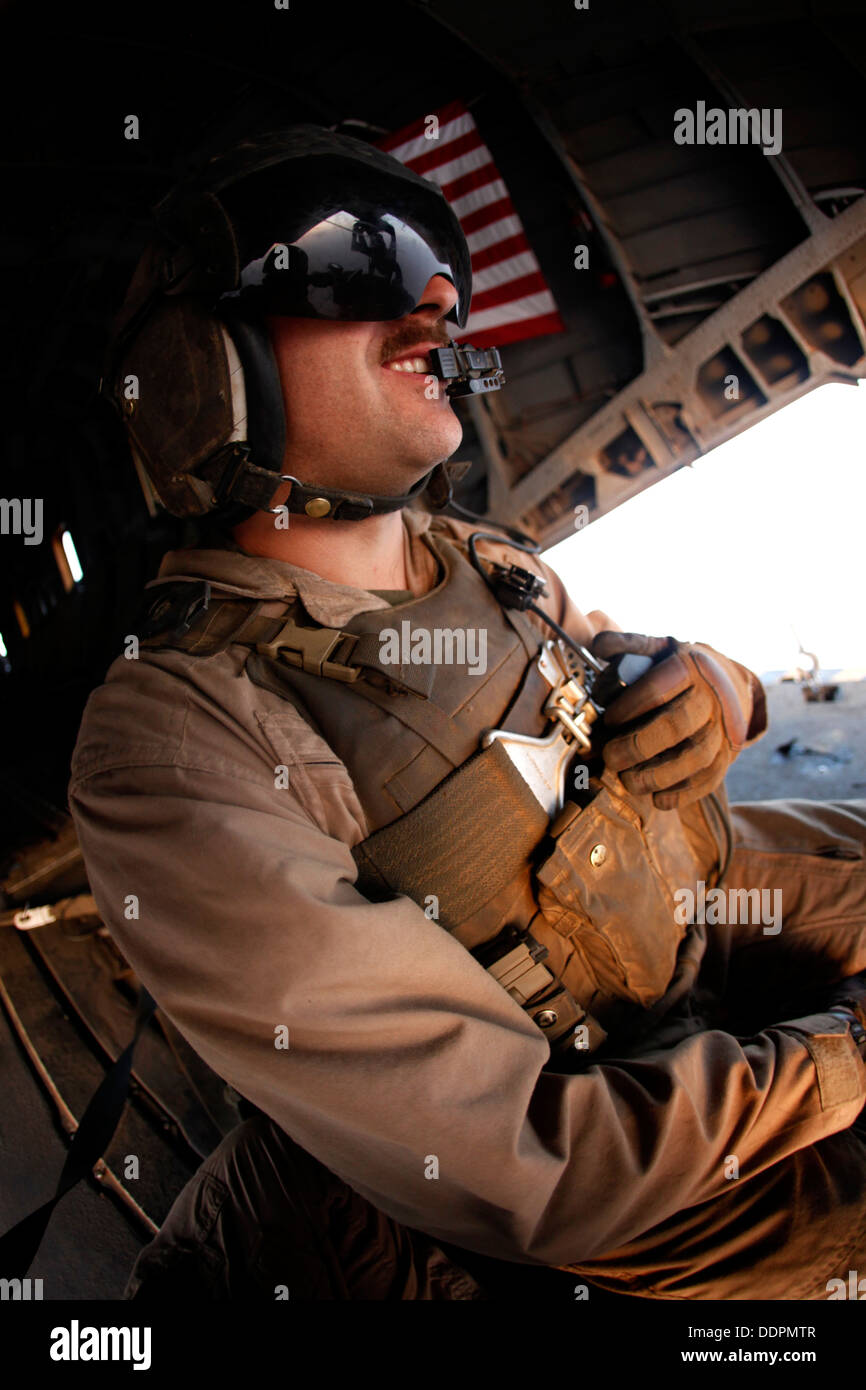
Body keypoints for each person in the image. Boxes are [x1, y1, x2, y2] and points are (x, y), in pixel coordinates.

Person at [69, 126, 866, 1301]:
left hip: (683, 938)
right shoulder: (179, 733)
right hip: (597, 1185)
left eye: (443, 274)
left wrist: (720, 685)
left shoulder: (490, 563)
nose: (437, 301)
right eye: (358, 264)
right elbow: (534, 1161)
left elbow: (643, 677)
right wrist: (837, 1060)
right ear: (206, 365)